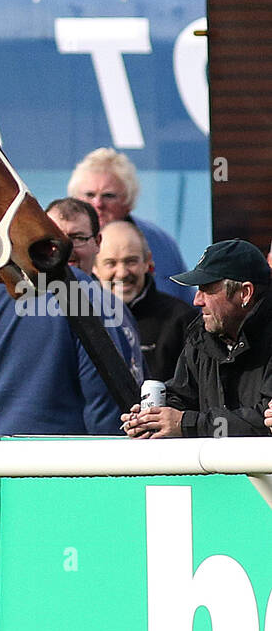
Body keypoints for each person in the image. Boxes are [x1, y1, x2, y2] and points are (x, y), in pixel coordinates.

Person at [0, 198, 143, 436]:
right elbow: (110, 405)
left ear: (98, 242)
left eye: (78, 238)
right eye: (53, 236)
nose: (64, 247)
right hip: (64, 462)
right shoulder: (94, 297)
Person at [122, 239, 272, 440]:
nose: (196, 300)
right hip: (215, 470)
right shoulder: (202, 336)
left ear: (244, 293)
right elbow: (183, 396)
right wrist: (152, 418)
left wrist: (186, 424)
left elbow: (263, 423)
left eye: (207, 289)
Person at [67, 148, 191, 304]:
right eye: (89, 195)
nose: (98, 204)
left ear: (128, 202)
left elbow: (183, 302)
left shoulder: (158, 242)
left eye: (108, 195)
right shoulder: (59, 243)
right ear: (75, 200)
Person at [93, 220, 194, 382]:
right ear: (95, 268)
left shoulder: (182, 320)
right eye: (110, 263)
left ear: (147, 262)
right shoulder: (83, 319)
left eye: (130, 261)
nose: (122, 273)